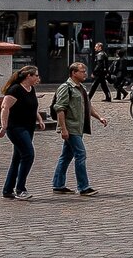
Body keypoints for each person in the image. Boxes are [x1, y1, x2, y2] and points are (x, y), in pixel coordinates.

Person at [50, 61, 106, 195]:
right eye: (82, 71)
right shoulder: (66, 87)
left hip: (79, 127)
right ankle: (83, 187)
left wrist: (99, 117)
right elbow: (60, 109)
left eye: (85, 71)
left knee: (66, 156)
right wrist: (63, 129)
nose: (85, 74)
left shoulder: (81, 88)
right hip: (71, 127)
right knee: (80, 154)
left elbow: (87, 106)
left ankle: (58, 185)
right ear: (73, 73)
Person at [0, 65, 42, 200]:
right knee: (28, 154)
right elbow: (5, 107)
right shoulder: (15, 90)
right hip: (16, 128)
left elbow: (33, 107)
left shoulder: (30, 89)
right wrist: (4, 126)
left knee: (17, 158)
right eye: (36, 75)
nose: (38, 78)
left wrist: (39, 119)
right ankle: (20, 188)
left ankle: (7, 189)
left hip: (29, 127)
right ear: (29, 76)